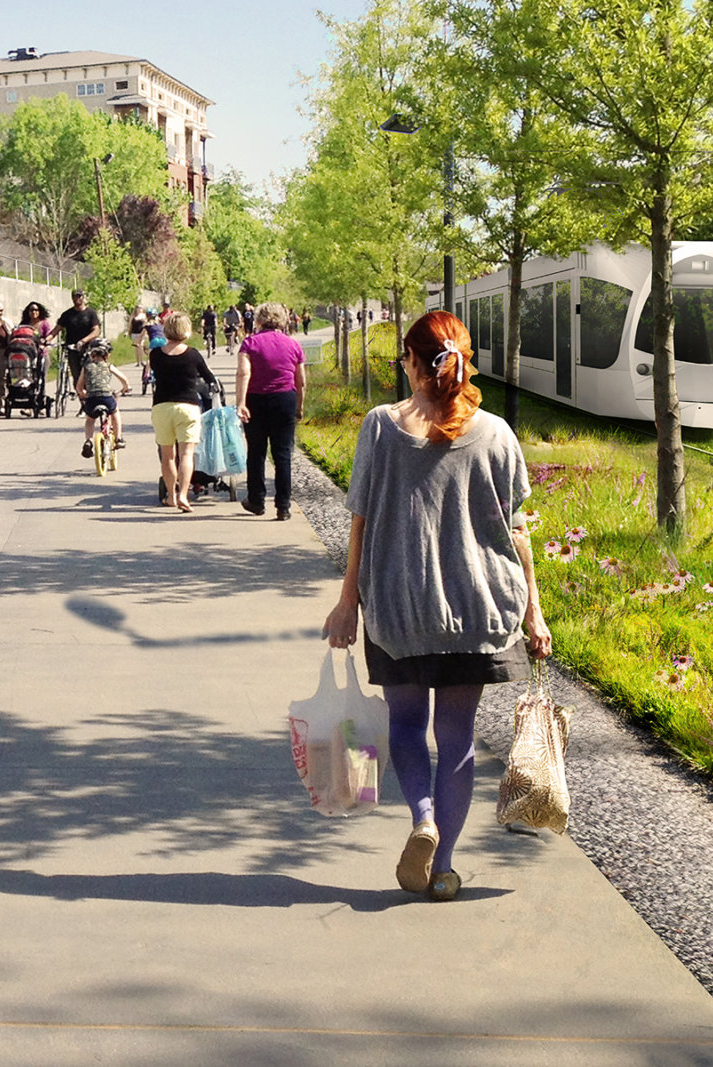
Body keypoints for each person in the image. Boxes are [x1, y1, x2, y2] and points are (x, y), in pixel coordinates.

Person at [321, 310, 550, 904]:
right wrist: (534, 615)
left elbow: (360, 523)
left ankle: (420, 817)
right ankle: (444, 864)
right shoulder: (497, 433)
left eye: (404, 357)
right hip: (476, 609)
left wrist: (348, 602)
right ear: (463, 359)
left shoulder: (379, 427)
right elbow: (517, 532)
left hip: (398, 606)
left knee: (404, 726)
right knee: (457, 736)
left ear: (415, 363)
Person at [235, 303, 307, 519]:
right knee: (282, 454)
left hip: (256, 400)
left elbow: (243, 373)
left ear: (258, 320)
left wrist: (241, 402)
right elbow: (301, 381)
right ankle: (283, 506)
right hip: (285, 398)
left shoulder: (249, 343)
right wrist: (299, 405)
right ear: (282, 319)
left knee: (256, 452)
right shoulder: (293, 345)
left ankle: (256, 501)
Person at [147, 311, 217, 512]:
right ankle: (184, 495)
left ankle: (171, 495)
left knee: (168, 454)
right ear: (186, 331)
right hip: (188, 407)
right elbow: (209, 377)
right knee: (187, 454)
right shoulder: (193, 354)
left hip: (162, 407)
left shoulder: (155, 355)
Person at [75, 337, 130, 457]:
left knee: (90, 420)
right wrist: (125, 388)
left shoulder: (86, 367)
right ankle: (119, 438)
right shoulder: (108, 366)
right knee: (115, 412)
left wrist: (84, 394)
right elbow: (124, 379)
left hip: (91, 399)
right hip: (106, 397)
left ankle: (88, 440)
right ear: (107, 354)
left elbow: (79, 387)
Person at [57, 290, 104, 394]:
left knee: (89, 375)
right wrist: (45, 340)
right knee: (77, 377)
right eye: (74, 296)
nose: (77, 298)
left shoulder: (91, 313)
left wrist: (83, 341)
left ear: (83, 297)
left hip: (88, 348)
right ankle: (83, 402)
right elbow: (56, 330)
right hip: (72, 348)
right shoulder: (67, 314)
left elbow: (96, 330)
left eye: (79, 296)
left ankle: (90, 399)